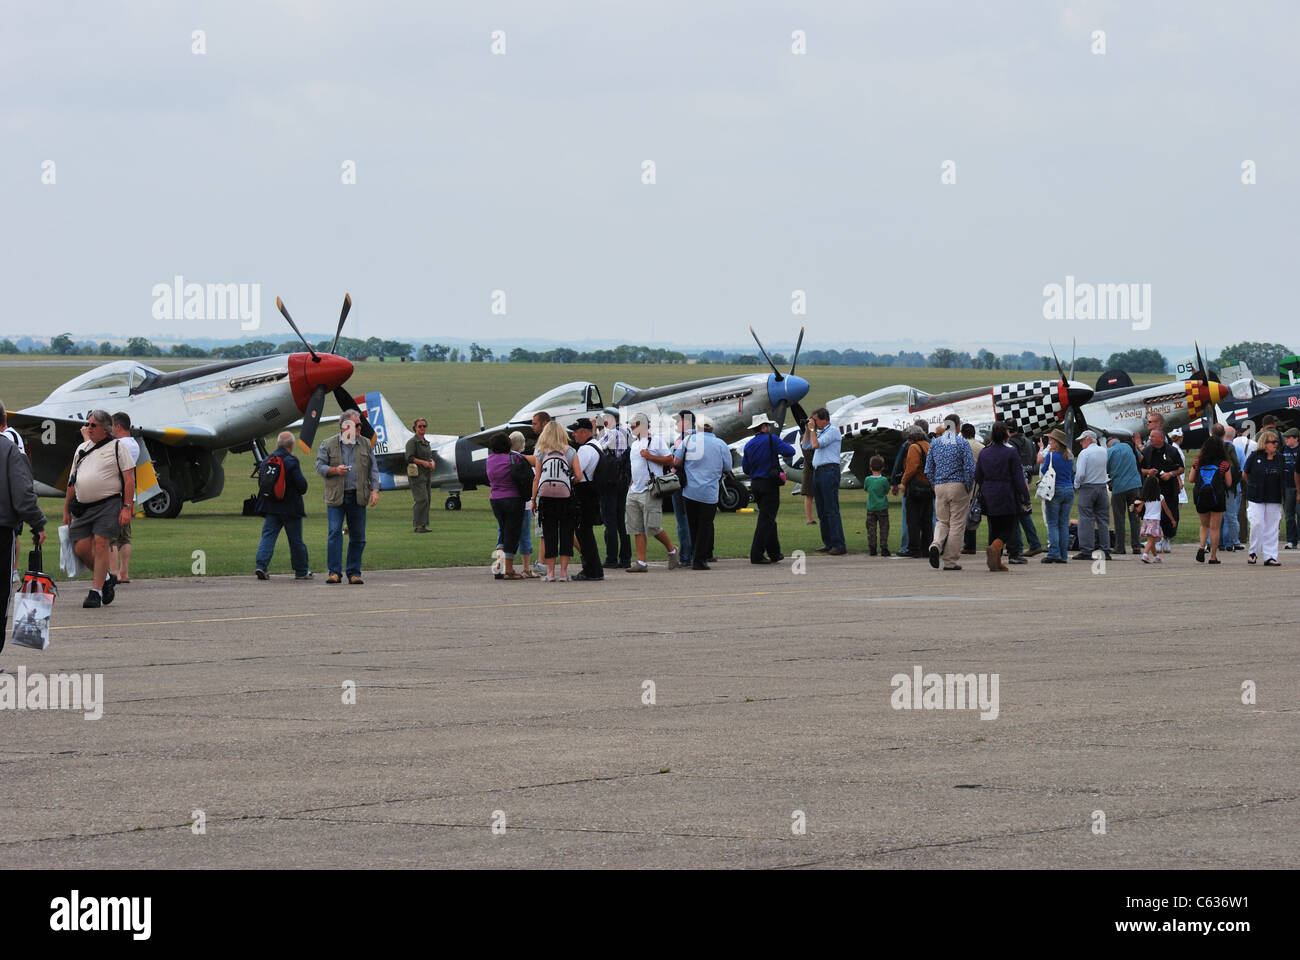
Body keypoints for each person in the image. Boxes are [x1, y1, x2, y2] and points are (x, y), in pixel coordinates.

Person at [65, 409, 135, 607]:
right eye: (88, 424)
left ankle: (95, 593)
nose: (88, 428)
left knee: (101, 542)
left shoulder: (118, 447)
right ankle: (105, 580)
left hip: (108, 504)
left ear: (105, 429)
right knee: (81, 547)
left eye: (93, 425)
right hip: (83, 507)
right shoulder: (81, 449)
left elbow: (129, 479)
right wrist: (65, 510)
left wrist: (126, 507)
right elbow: (72, 482)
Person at [1, 402, 47, 652]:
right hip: (2, 530)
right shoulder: (9, 450)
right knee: (1, 592)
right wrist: (38, 523)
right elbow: (23, 493)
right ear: (4, 422)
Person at [316, 410, 380, 585]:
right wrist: (334, 470)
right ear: (345, 427)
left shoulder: (366, 444)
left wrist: (375, 490)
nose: (360, 427)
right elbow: (319, 466)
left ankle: (354, 572)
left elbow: (373, 469)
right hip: (336, 498)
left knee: (358, 536)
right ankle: (334, 572)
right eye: (357, 425)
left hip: (358, 497)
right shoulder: (328, 444)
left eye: (360, 424)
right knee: (335, 532)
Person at [673, 412, 732, 569]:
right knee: (705, 525)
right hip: (709, 492)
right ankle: (700, 559)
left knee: (692, 525)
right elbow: (728, 467)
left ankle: (694, 556)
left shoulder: (688, 439)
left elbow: (676, 461)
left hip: (690, 491)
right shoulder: (720, 444)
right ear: (712, 428)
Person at [623, 411, 680, 572]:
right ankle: (641, 562)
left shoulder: (656, 440)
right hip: (634, 490)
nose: (632, 428)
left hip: (650, 488)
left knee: (653, 526)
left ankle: (672, 550)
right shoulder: (634, 444)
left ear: (642, 425)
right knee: (636, 527)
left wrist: (649, 456)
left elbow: (670, 459)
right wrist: (632, 481)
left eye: (634, 425)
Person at [253, 431, 312, 579]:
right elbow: (302, 486)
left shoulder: (267, 460)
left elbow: (261, 482)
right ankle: (301, 571)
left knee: (268, 537)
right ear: (291, 445)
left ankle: (261, 566)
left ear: (278, 444)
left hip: (271, 507)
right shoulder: (291, 461)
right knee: (296, 541)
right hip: (291, 508)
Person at [974, 423, 1030, 571]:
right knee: (1009, 527)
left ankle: (996, 562)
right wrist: (1025, 497)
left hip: (989, 493)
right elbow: (1018, 478)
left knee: (994, 527)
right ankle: (995, 547)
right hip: (1007, 493)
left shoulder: (984, 452)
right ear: (1006, 435)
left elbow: (978, 476)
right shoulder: (1010, 453)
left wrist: (987, 485)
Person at [741, 413, 795, 564]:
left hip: (756, 484)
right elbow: (791, 451)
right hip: (770, 484)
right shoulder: (772, 439)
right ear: (764, 427)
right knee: (766, 520)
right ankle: (756, 554)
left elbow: (746, 468)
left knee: (768, 519)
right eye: (768, 425)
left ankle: (774, 553)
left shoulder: (749, 444)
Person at [925, 413, 975, 571]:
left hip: (939, 486)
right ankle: (950, 561)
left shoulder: (935, 443)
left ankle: (936, 544)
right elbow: (969, 468)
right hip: (958, 485)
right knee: (957, 524)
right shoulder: (962, 443)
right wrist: (968, 486)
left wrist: (934, 484)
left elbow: (928, 469)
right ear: (958, 426)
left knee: (942, 521)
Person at [532, 419, 579, 581]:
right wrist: (568, 481)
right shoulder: (570, 451)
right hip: (566, 499)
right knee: (566, 533)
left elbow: (537, 478)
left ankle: (550, 573)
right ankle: (564, 573)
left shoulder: (541, 451)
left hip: (546, 499)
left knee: (549, 534)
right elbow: (579, 476)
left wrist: (533, 499)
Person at [801, 407, 846, 555]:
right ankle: (828, 543)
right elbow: (805, 445)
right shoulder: (820, 433)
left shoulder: (832, 431)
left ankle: (838, 544)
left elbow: (815, 445)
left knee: (831, 509)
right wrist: (808, 430)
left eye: (815, 419)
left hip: (829, 470)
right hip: (818, 471)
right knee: (821, 510)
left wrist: (813, 430)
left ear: (823, 419)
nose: (813, 422)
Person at [485, 432, 527, 580]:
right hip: (513, 498)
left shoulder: (489, 460)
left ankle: (500, 565)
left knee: (503, 531)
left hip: (495, 499)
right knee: (512, 534)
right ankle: (508, 570)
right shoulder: (515, 458)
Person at [1242, 430, 1285, 565]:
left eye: (1276, 442)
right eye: (1272, 442)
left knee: (1272, 527)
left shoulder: (1280, 458)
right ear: (1264, 443)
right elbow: (1245, 474)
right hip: (1256, 496)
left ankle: (1270, 556)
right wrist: (1252, 485)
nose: (1275, 444)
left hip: (1274, 496)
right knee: (1257, 524)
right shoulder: (1255, 457)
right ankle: (1253, 552)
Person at [569, 418, 605, 581]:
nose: (574, 434)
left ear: (584, 431)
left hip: (583, 493)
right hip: (593, 491)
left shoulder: (584, 449)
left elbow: (577, 475)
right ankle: (594, 569)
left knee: (583, 533)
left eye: (576, 431)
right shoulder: (597, 445)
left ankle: (591, 570)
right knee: (586, 533)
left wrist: (567, 481)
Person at [597, 412, 632, 570]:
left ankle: (611, 558)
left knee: (609, 520)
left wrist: (597, 431)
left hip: (610, 479)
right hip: (623, 478)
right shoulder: (628, 432)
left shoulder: (612, 433)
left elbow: (599, 448)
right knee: (621, 520)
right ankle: (625, 558)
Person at [1191, 434, 1232, 565]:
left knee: (1204, 525)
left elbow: (1191, 479)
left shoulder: (1198, 462)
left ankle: (1202, 547)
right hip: (1217, 497)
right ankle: (1213, 557)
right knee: (1215, 527)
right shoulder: (1224, 464)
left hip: (1200, 495)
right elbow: (1229, 483)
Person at [108, 412, 140, 583]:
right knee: (125, 537)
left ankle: (114, 572)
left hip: (116, 494)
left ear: (118, 426)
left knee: (111, 537)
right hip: (129, 496)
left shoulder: (118, 445)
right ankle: (124, 572)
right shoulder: (134, 444)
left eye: (112, 426)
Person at [1005, 419, 1044, 557]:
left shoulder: (1009, 445)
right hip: (1027, 479)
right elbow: (1034, 461)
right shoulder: (1028, 441)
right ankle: (1032, 544)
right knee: (1024, 513)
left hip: (1015, 482)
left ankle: (1019, 547)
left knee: (1015, 515)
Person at [1036, 428, 1075, 564]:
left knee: (1052, 523)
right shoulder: (1069, 456)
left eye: (1051, 440)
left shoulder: (1052, 456)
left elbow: (1042, 469)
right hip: (1068, 489)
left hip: (1055, 489)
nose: (1050, 442)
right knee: (1063, 524)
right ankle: (1063, 554)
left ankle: (1053, 553)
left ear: (1056, 442)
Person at [1139, 429, 1181, 551]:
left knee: (1171, 513)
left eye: (1153, 436)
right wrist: (1148, 472)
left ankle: (1167, 538)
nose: (1150, 439)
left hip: (1170, 488)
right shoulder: (1146, 452)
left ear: (1161, 438)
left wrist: (1171, 474)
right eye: (1150, 436)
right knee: (1153, 514)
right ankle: (1155, 539)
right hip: (1152, 490)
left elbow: (1181, 468)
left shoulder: (1172, 451)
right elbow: (1139, 469)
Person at [1072, 430, 1111, 559]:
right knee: (1103, 520)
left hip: (1088, 487)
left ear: (1089, 439)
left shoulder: (1085, 453)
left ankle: (1087, 550)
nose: (1081, 443)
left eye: (1083, 440)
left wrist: (1076, 485)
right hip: (1102, 486)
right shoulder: (1104, 451)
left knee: (1085, 519)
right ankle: (1105, 549)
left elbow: (1081, 474)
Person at [508, 431, 539, 578]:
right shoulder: (525, 460)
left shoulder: (503, 460)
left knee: (504, 534)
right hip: (525, 503)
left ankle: (503, 566)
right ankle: (526, 568)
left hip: (507, 501)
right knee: (524, 536)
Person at [1106, 437, 1142, 554]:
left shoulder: (1110, 451)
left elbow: (1106, 469)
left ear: (1109, 444)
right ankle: (1136, 546)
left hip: (1119, 488)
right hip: (1135, 486)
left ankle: (1120, 547)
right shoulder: (1129, 446)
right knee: (1135, 516)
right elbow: (1141, 457)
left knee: (1119, 518)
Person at [901, 426, 932, 559]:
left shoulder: (914, 448)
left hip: (916, 487)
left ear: (912, 438)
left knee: (913, 519)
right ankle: (927, 548)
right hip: (929, 486)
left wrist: (903, 482)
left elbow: (911, 468)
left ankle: (914, 548)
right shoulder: (928, 445)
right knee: (926, 520)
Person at [670, 411, 695, 566]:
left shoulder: (682, 440)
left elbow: (675, 461)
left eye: (678, 421)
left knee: (682, 520)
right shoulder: (701, 438)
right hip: (697, 484)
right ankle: (698, 553)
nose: (676, 424)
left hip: (681, 483)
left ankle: (685, 556)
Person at [1135, 474, 1174, 564]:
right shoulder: (1160, 497)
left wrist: (1136, 506)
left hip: (1146, 520)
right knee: (1151, 540)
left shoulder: (1144, 498)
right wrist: (1172, 519)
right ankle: (1145, 554)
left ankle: (1156, 557)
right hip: (1155, 521)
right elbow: (1167, 510)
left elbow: (1139, 509)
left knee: (1151, 540)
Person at [405, 417, 435, 534]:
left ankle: (423, 525)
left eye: (424, 426)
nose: (422, 428)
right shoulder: (412, 442)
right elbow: (409, 458)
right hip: (416, 474)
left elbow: (429, 456)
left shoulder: (426, 443)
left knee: (427, 499)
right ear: (415, 428)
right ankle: (418, 525)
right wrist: (424, 463)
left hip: (427, 474)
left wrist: (432, 462)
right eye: (420, 426)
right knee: (421, 499)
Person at [1230, 425, 1256, 549]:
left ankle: (1239, 535)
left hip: (1237, 477)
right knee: (1251, 507)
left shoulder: (1233, 443)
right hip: (1249, 477)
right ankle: (1246, 534)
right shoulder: (1253, 444)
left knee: (1238, 508)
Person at [960, 424, 984, 555]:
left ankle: (968, 544)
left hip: (964, 483)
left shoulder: (961, 446)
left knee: (963, 514)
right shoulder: (981, 447)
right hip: (978, 484)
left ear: (962, 433)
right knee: (973, 513)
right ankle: (971, 544)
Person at [1222, 425, 1245, 551]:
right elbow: (1242, 469)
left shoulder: (1216, 448)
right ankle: (1232, 541)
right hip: (1234, 486)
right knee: (1232, 515)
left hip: (1219, 485)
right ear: (1234, 436)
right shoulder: (1238, 450)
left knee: (1217, 515)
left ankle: (1216, 542)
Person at [863, 455, 891, 557]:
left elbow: (866, 489)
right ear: (882, 467)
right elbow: (887, 490)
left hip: (871, 507)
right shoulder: (884, 480)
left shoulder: (867, 480)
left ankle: (872, 548)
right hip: (882, 507)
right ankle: (884, 547)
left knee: (871, 528)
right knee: (884, 528)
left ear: (870, 467)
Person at [1280, 428, 1300, 549]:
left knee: (1299, 513)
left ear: (1296, 438)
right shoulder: (1282, 450)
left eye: (1289, 437)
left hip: (1299, 486)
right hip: (1287, 486)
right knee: (1289, 514)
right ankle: (1291, 540)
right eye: (1285, 437)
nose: (1286, 439)